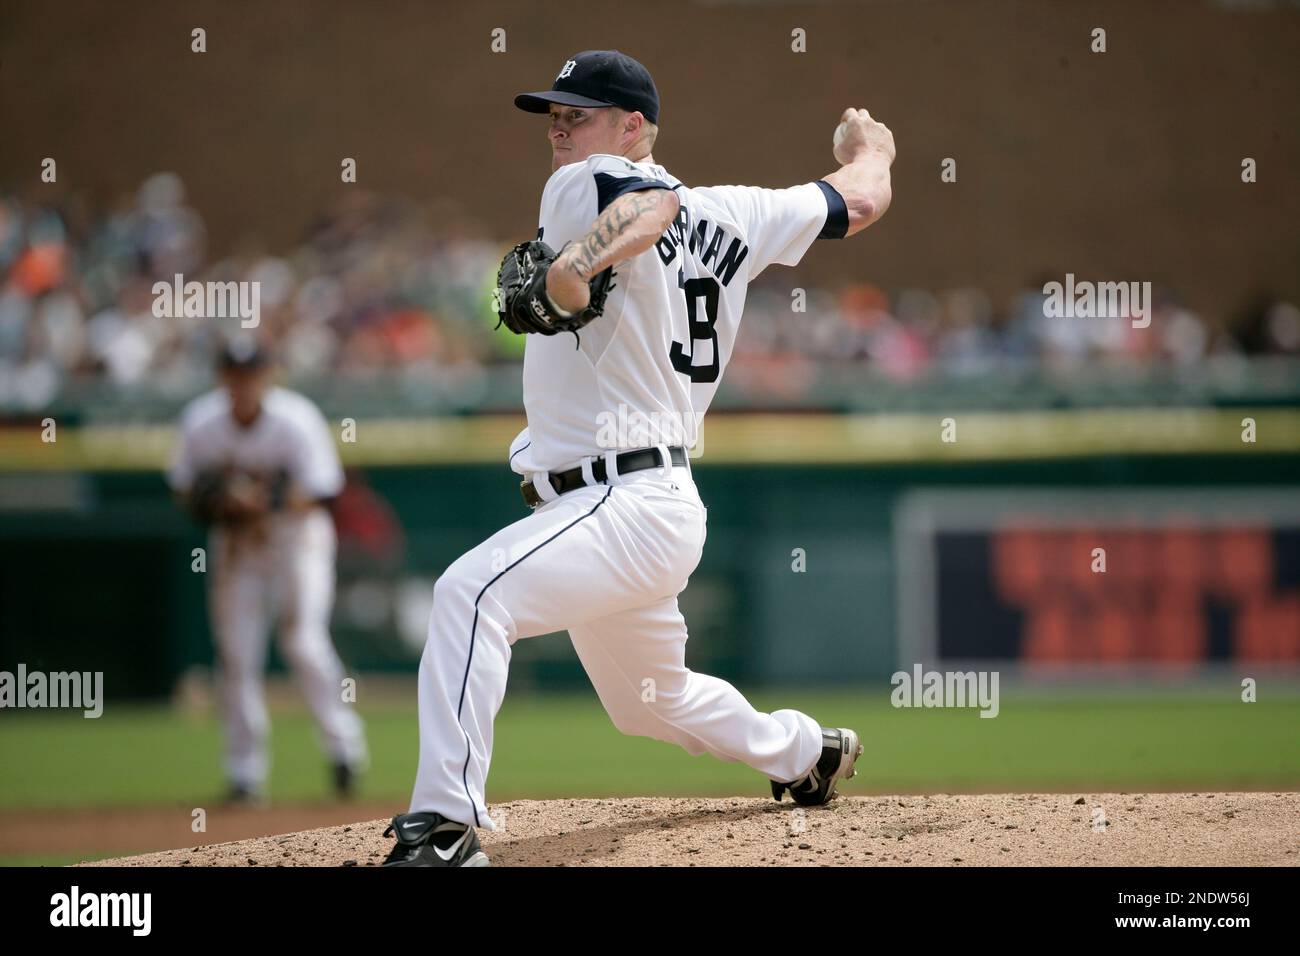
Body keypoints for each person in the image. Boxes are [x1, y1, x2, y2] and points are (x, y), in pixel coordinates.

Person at [383, 49, 895, 866]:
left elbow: (650, 203)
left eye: (577, 114)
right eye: (554, 115)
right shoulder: (736, 213)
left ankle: (445, 829)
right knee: (651, 703)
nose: (560, 129)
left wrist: (571, 268)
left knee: (469, 595)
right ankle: (806, 753)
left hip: (618, 494)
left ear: (634, 127)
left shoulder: (589, 181)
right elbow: (860, 200)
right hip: (647, 503)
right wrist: (873, 146)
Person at [168, 338, 368, 804]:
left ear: (267, 374)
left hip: (296, 540)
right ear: (223, 377)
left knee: (302, 641)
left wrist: (262, 499)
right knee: (236, 656)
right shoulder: (202, 422)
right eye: (235, 372)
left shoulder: (295, 419)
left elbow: (324, 490)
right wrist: (219, 501)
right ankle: (245, 775)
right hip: (237, 546)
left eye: (252, 371)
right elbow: (182, 486)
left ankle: (344, 752)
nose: (243, 381)